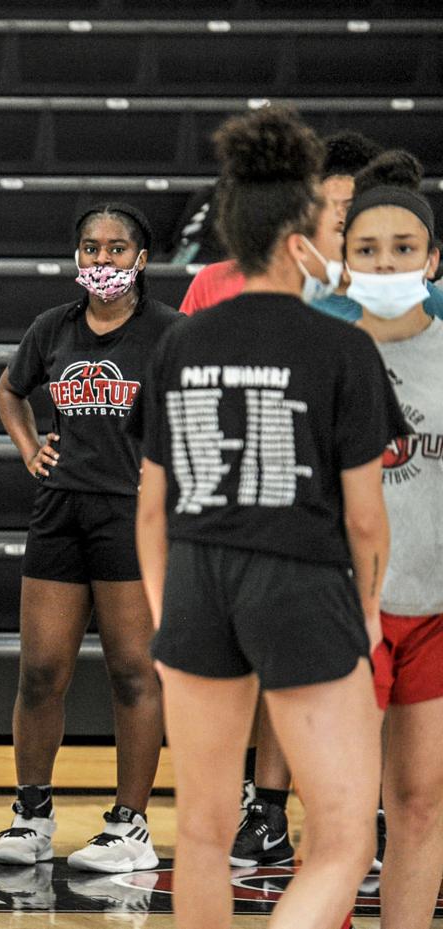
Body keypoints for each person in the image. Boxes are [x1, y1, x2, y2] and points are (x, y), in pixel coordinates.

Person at [130, 106, 404, 929]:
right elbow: (364, 518)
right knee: (344, 838)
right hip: (301, 576)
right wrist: (363, 608)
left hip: (195, 581)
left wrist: (162, 610)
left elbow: (151, 508)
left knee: (204, 835)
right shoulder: (342, 346)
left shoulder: (179, 342)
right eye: (328, 225)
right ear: (295, 243)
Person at [0, 203, 182, 873]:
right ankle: (32, 813)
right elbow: (9, 391)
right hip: (60, 510)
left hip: (132, 515)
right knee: (40, 671)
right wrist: (26, 446)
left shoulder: (169, 331)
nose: (102, 259)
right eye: (91, 248)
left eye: (116, 247)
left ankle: (130, 825)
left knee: (133, 671)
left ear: (142, 259)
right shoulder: (53, 328)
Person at [343, 151, 443, 929]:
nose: (386, 262)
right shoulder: (322, 352)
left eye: (403, 248)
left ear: (433, 258)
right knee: (343, 817)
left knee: (417, 805)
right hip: (344, 616)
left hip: (436, 611)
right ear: (344, 260)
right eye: (368, 249)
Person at [179, 130, 388, 316]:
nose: (340, 218)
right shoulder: (214, 282)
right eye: (328, 207)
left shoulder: (402, 289)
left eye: (350, 206)